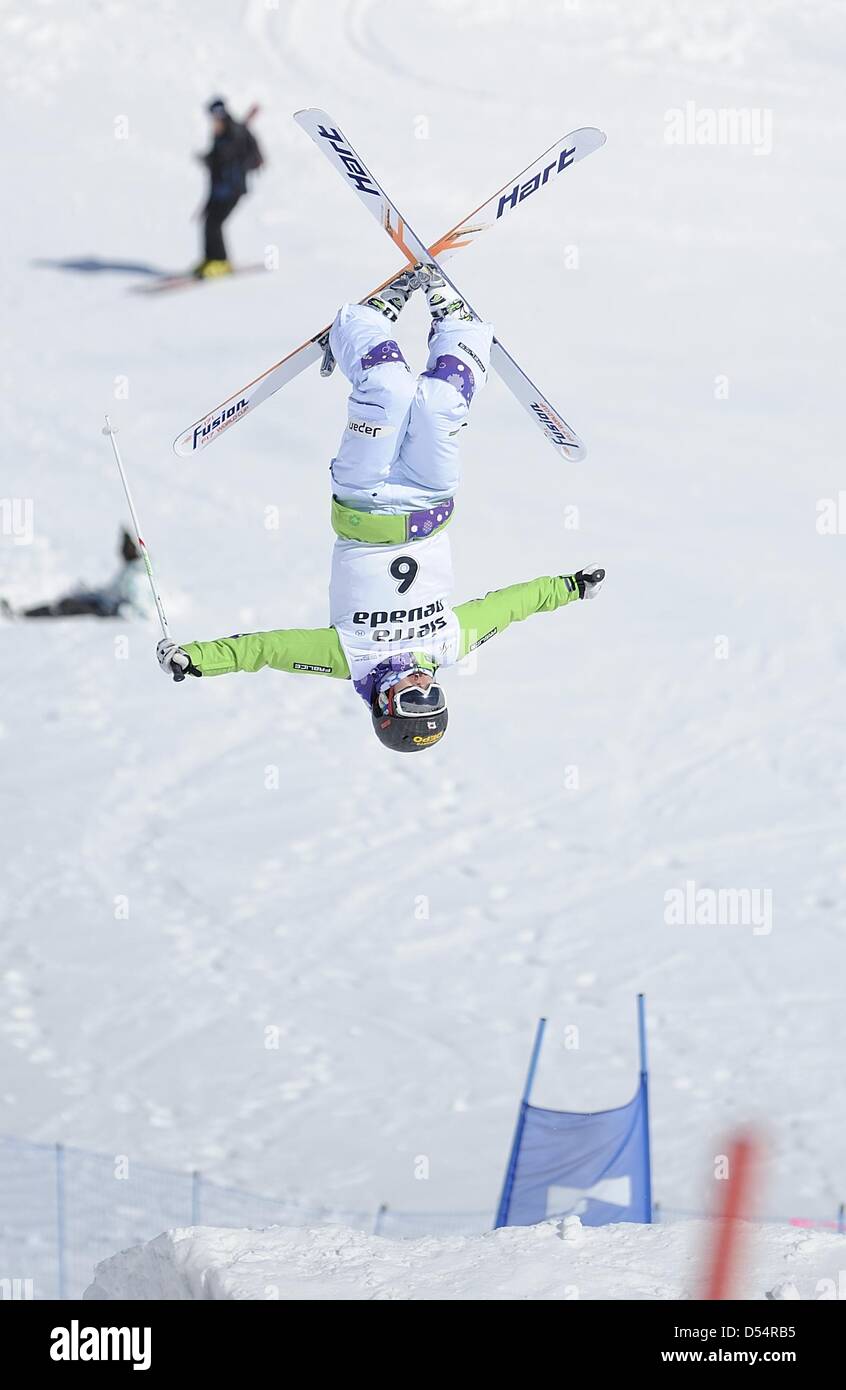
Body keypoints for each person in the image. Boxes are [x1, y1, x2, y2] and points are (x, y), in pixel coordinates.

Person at [156, 270, 605, 752]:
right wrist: (570, 588)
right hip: (431, 499)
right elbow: (507, 607)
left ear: (385, 707)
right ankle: (460, 328)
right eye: (436, 697)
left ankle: (359, 325)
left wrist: (198, 660)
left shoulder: (348, 657)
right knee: (441, 405)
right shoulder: (447, 646)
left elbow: (266, 650)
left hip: (362, 497)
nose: (424, 687)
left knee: (387, 392)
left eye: (415, 703)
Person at [7, 528, 154, 620]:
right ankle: (23, 613)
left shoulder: (138, 577)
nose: (120, 552)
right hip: (102, 603)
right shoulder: (129, 570)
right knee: (68, 602)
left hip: (107, 609)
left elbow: (140, 610)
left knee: (68, 607)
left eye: (124, 548)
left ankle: (22, 615)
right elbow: (112, 591)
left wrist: (116, 610)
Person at [194, 97, 263, 280]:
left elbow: (247, 159)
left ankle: (221, 261)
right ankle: (210, 259)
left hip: (233, 190)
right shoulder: (221, 134)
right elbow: (218, 159)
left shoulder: (236, 132)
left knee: (215, 223)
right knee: (209, 222)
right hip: (218, 190)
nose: (213, 121)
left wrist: (219, 160)